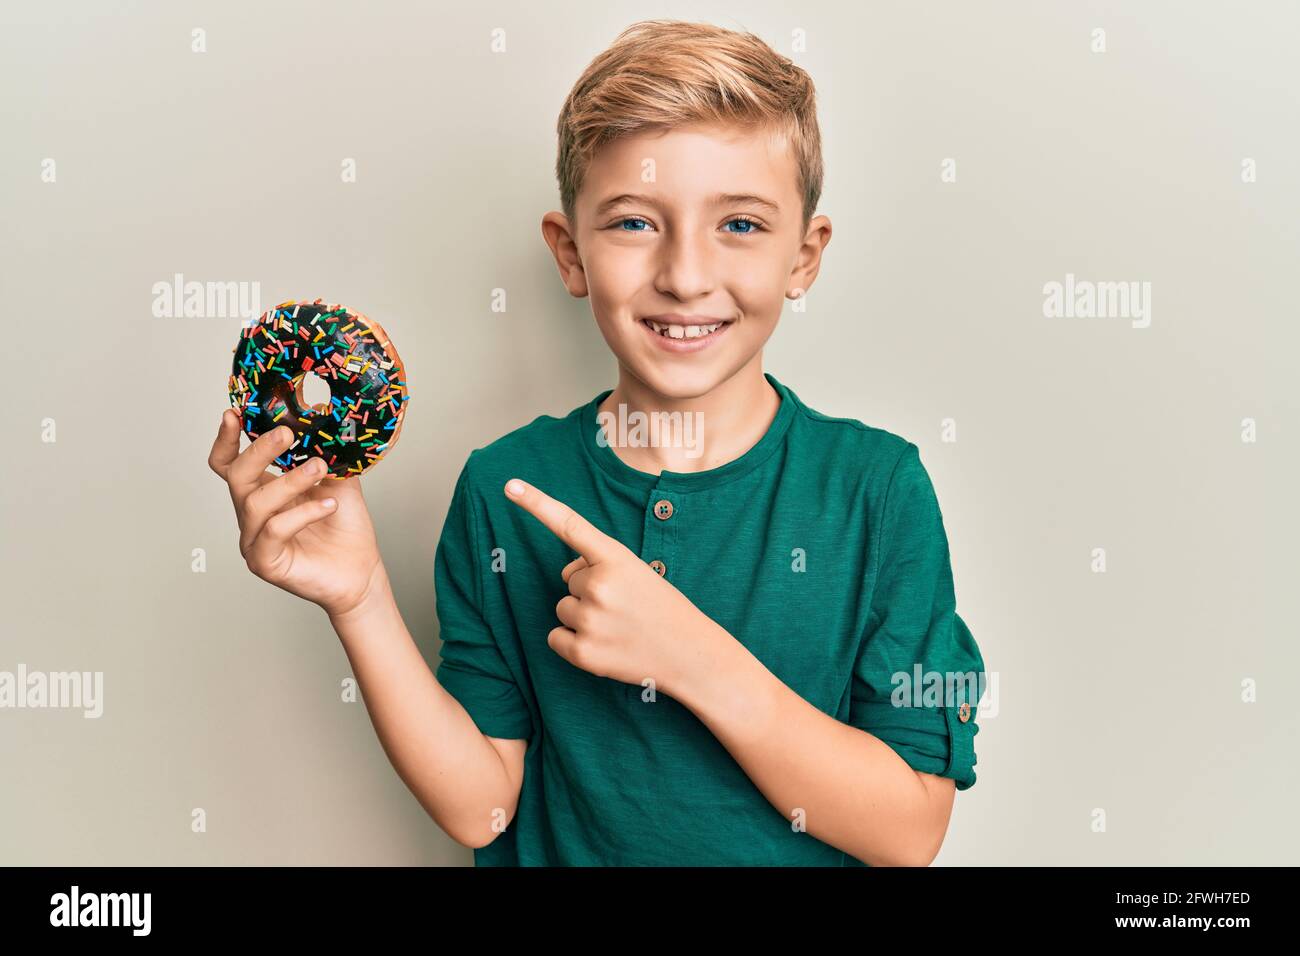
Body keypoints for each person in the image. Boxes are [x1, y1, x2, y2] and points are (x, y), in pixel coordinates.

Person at [207, 18, 985, 866]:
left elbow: (910, 831)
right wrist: (359, 599)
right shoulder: (505, 488)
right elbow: (481, 811)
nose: (686, 276)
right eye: (634, 224)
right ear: (569, 253)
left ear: (805, 257)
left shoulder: (878, 492)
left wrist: (693, 657)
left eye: (742, 226)